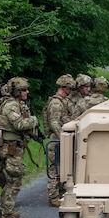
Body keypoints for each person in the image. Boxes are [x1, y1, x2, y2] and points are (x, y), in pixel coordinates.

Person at [0, 77, 41, 218]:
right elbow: (19, 124)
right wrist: (34, 120)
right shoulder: (12, 105)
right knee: (14, 180)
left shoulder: (8, 103)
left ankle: (3, 212)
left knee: (10, 180)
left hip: (4, 145)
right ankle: (7, 216)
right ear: (17, 92)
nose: (27, 92)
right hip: (11, 147)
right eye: (24, 90)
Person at [43, 75, 75, 207]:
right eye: (69, 88)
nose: (71, 90)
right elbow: (54, 123)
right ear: (65, 87)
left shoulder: (62, 101)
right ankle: (53, 197)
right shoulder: (56, 103)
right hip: (57, 139)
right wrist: (63, 137)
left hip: (61, 139)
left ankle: (61, 193)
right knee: (55, 168)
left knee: (63, 167)